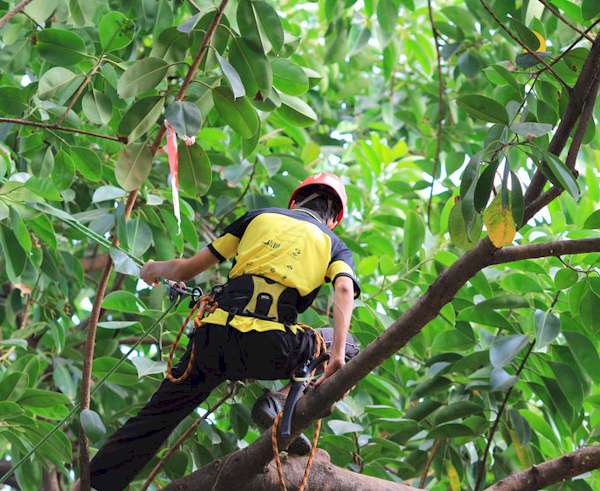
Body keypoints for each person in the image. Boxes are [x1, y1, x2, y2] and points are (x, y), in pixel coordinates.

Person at [86, 172, 360, 490]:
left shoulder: (257, 218)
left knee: (156, 418)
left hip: (214, 343)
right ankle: (279, 404)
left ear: (295, 200)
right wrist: (338, 355)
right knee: (350, 344)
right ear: (333, 219)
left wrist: (154, 268)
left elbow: (188, 268)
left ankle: (90, 485)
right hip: (273, 347)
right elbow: (343, 289)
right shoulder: (334, 244)